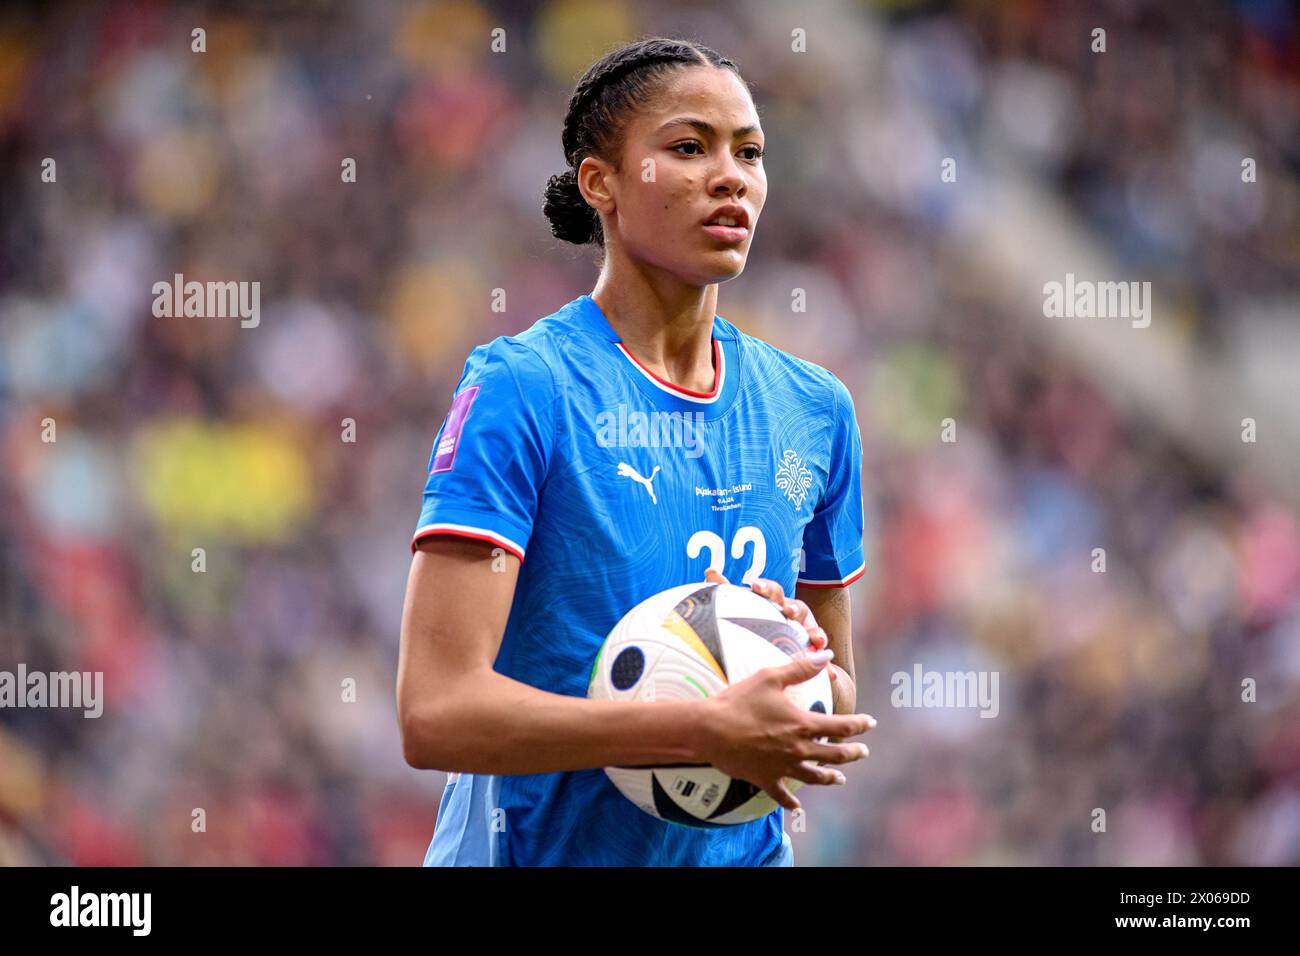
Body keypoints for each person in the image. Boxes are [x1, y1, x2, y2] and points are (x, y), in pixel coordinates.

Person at [397, 37, 874, 866]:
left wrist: (792, 662)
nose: (731, 176)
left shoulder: (816, 409)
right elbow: (434, 712)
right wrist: (699, 728)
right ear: (601, 183)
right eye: (689, 148)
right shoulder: (527, 387)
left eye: (750, 153)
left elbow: (837, 700)